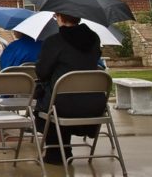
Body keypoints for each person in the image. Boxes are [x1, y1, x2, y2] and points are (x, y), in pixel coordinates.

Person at [34, 13, 106, 165]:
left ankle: (57, 153)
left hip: (61, 104)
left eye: (55, 16)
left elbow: (42, 72)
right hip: (94, 103)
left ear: (60, 17)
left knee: (49, 99)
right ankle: (63, 148)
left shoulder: (54, 41)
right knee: (62, 96)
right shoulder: (94, 38)